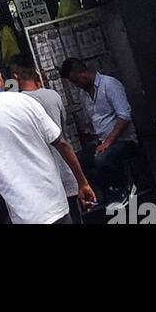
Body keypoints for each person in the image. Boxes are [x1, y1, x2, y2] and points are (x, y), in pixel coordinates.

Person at [0, 60, 95, 225]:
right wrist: (82, 182)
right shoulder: (25, 101)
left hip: (25, 213)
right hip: (55, 202)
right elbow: (61, 144)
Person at [58, 55, 137, 203]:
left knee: (102, 159)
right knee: (77, 160)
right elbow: (93, 122)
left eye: (76, 81)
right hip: (102, 140)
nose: (77, 85)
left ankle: (123, 188)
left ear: (84, 73)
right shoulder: (83, 95)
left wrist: (108, 142)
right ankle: (97, 195)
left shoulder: (110, 85)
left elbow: (124, 116)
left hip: (123, 140)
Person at [11, 58, 81, 220]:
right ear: (37, 80)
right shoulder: (53, 95)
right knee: (74, 212)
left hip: (40, 174)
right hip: (64, 163)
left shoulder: (18, 104)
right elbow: (62, 125)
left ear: (19, 81)